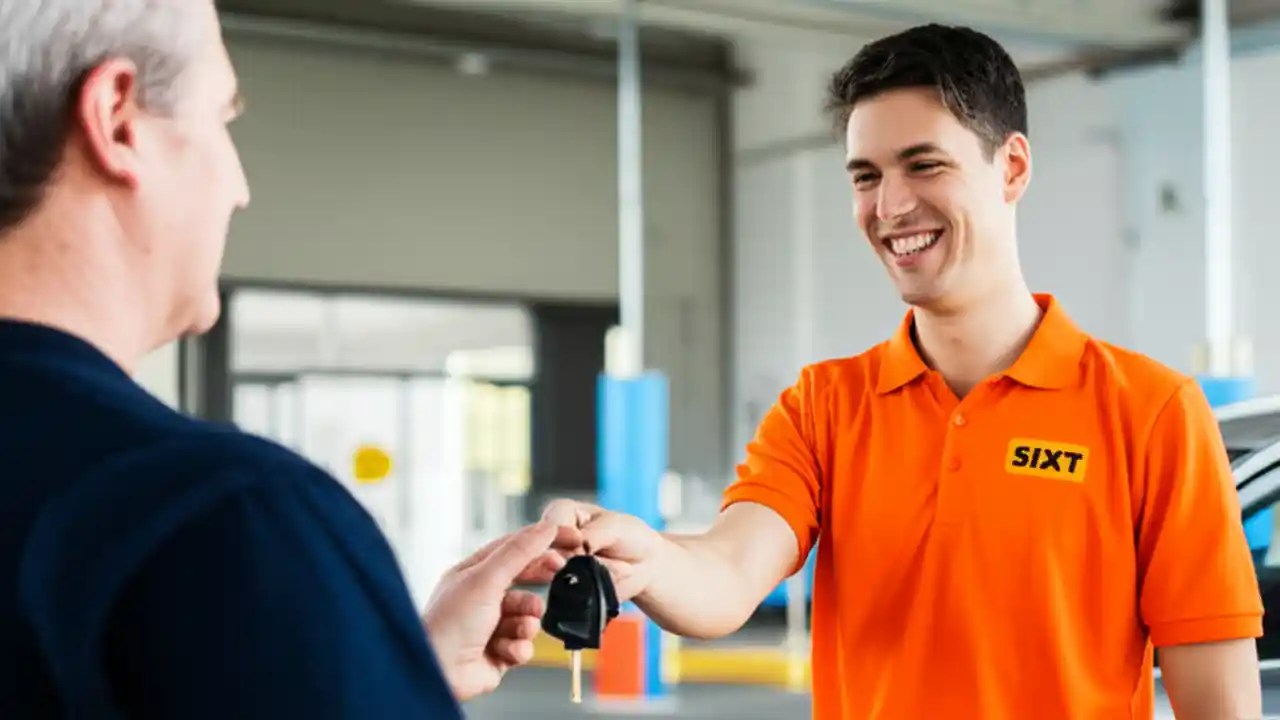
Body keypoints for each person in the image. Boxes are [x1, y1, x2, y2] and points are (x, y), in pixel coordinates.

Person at [544, 23, 1264, 720]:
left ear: (1011, 167)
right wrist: (646, 559)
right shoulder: (822, 407)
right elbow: (729, 575)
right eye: (867, 176)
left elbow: (1220, 704)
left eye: (924, 164)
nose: (889, 207)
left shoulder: (1151, 412)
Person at [0, 1, 569, 717]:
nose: (240, 188)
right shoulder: (219, 521)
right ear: (119, 120)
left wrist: (376, 665)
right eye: (222, 118)